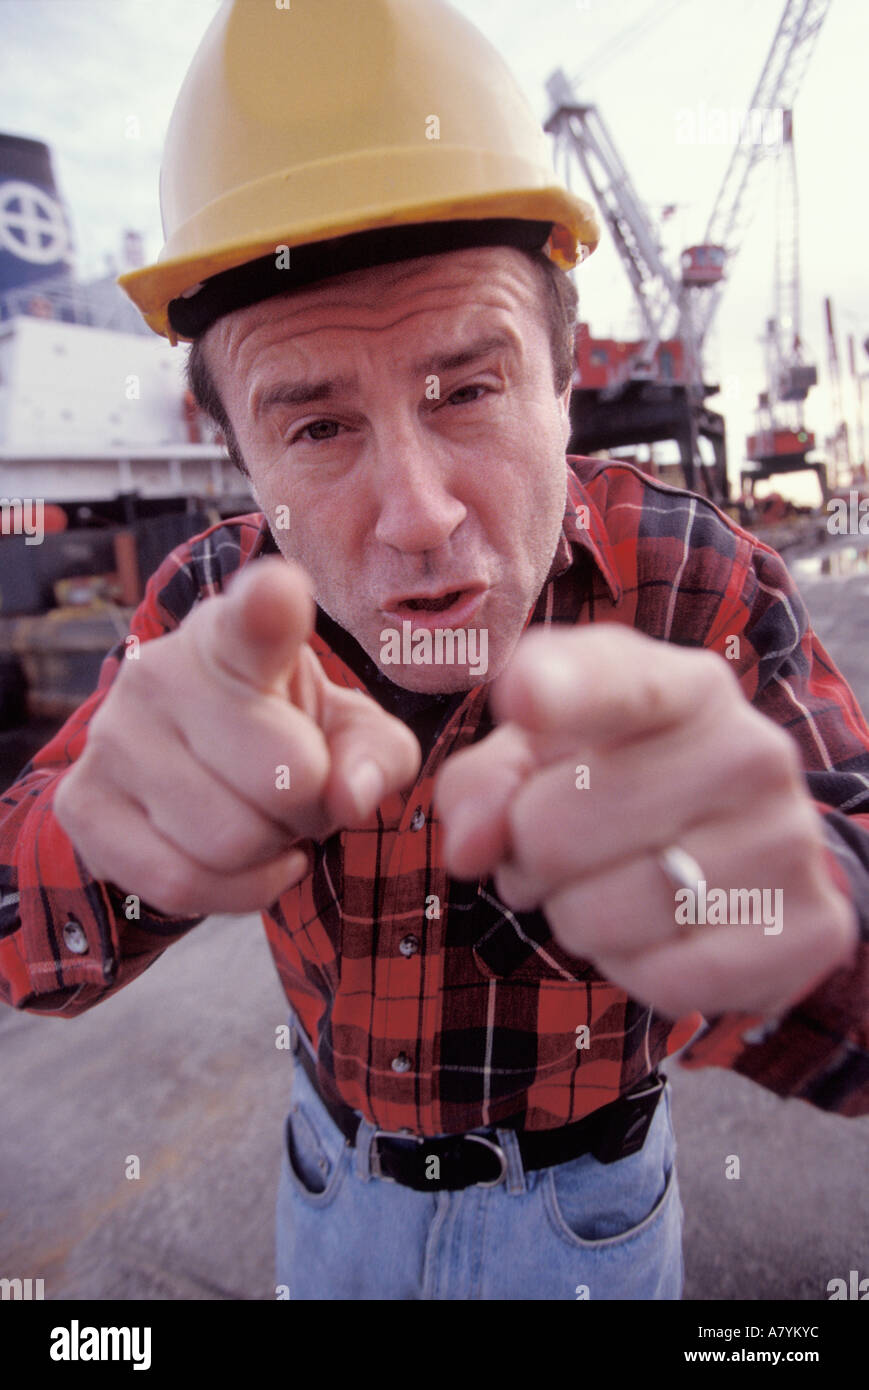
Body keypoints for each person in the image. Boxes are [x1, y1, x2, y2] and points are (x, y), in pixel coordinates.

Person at [2, 0, 867, 1301]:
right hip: (328, 1189)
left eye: (467, 387)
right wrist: (110, 849)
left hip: (593, 1212)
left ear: (564, 373)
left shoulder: (696, 580)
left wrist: (789, 912)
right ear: (234, 449)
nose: (416, 514)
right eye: (317, 428)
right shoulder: (210, 607)